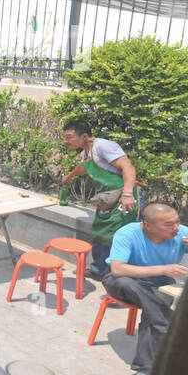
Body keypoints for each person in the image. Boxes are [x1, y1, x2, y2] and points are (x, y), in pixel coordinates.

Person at [101, 203, 188, 375]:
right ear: (148, 226)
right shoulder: (127, 233)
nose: (176, 228)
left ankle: (145, 370)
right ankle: (166, 322)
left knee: (154, 309)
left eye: (177, 222)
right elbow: (118, 269)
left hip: (159, 285)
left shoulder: (182, 233)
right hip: (124, 281)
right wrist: (164, 269)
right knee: (127, 283)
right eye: (169, 225)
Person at [60, 119, 139, 279]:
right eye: (65, 137)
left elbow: (128, 167)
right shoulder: (86, 153)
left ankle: (118, 279)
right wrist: (70, 176)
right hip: (107, 200)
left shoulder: (103, 146)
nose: (65, 141)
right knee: (100, 232)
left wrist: (128, 194)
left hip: (123, 198)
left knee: (119, 236)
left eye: (69, 137)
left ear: (84, 136)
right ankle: (98, 270)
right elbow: (84, 166)